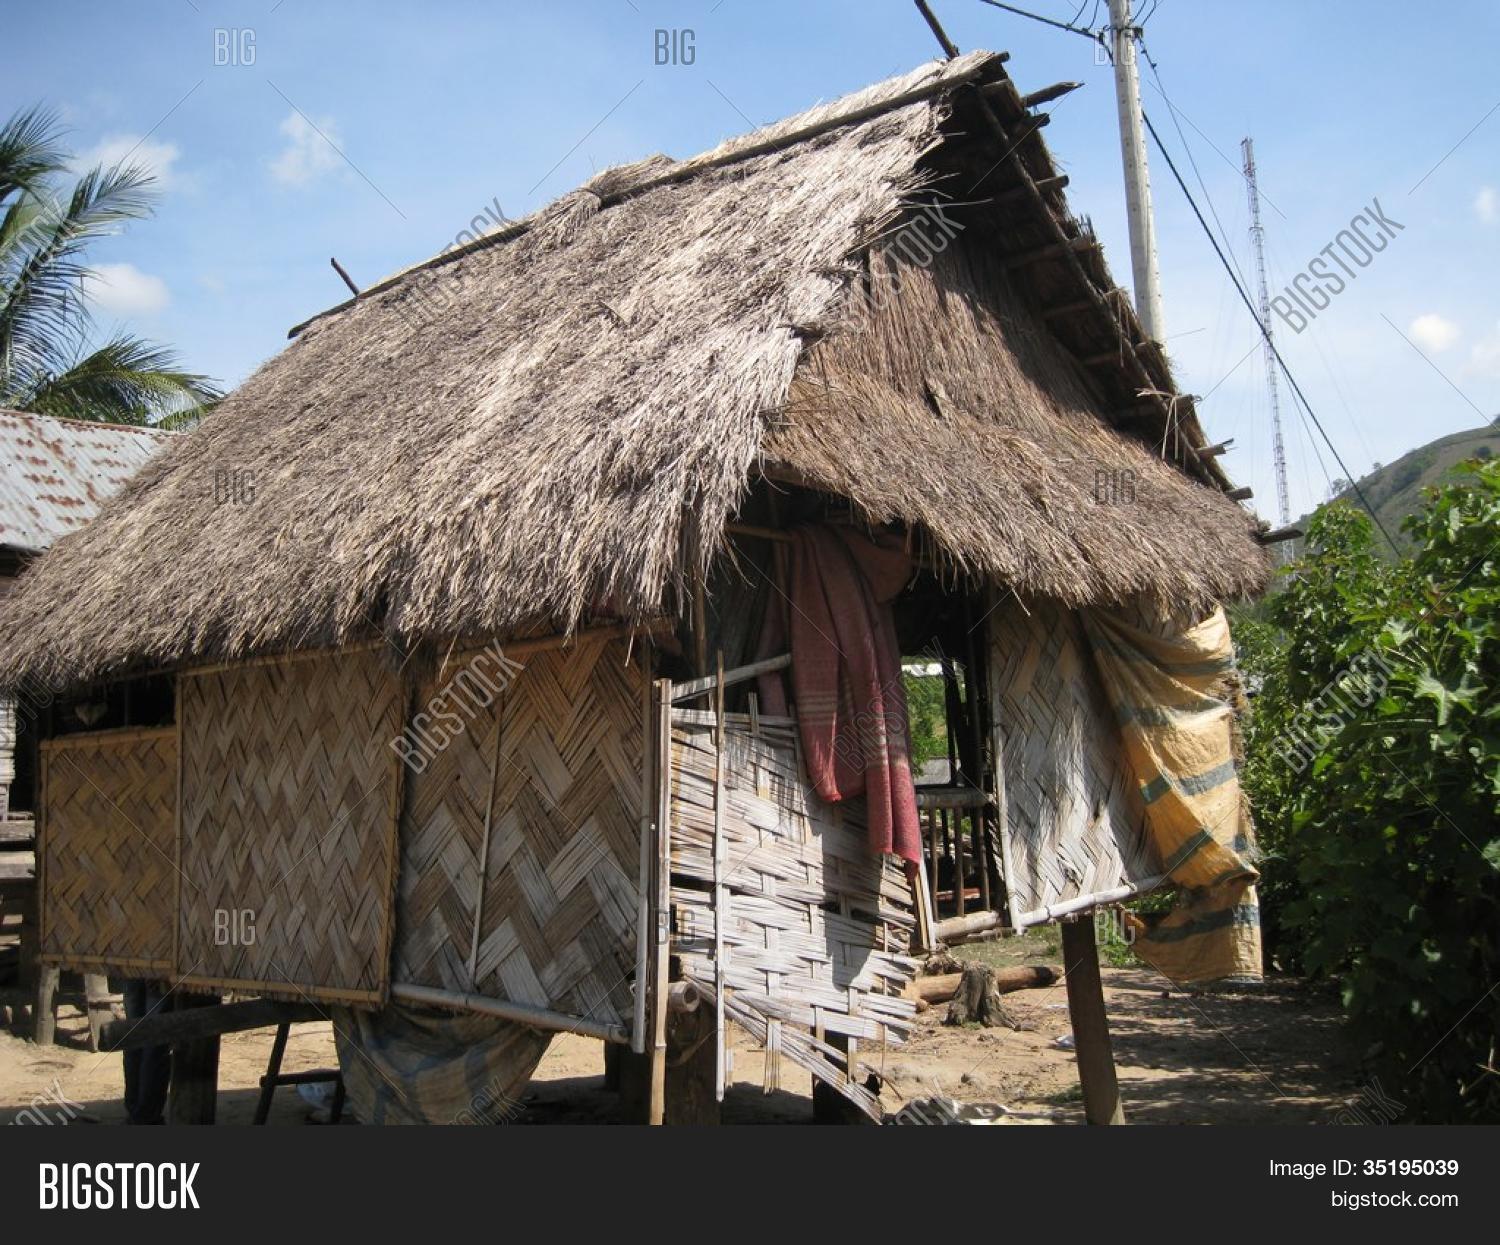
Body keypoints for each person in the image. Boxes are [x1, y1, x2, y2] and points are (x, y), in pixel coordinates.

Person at [119, 979, 171, 1124]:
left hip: (133, 968)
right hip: (159, 965)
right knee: (154, 1041)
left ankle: (135, 1108)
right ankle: (146, 1113)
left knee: (135, 1037)